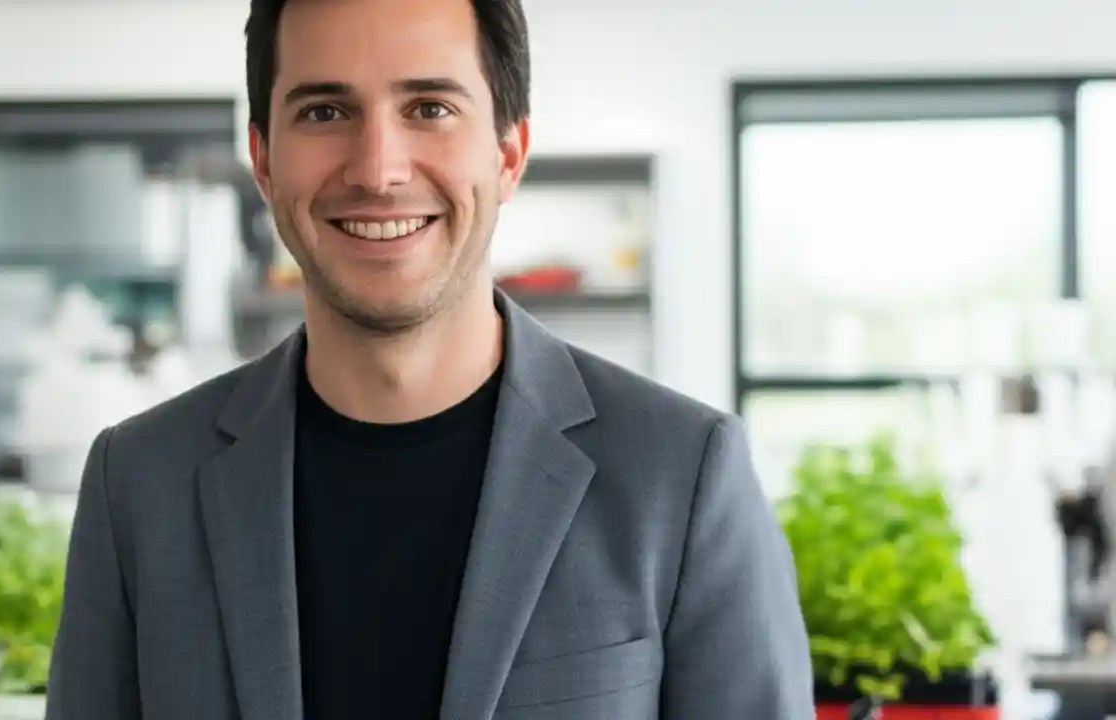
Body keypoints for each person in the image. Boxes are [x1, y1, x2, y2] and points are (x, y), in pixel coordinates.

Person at [46, 0, 814, 717]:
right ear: (263, 159)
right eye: (324, 111)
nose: (378, 170)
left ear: (509, 152)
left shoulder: (682, 476)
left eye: (430, 109)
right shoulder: (139, 484)